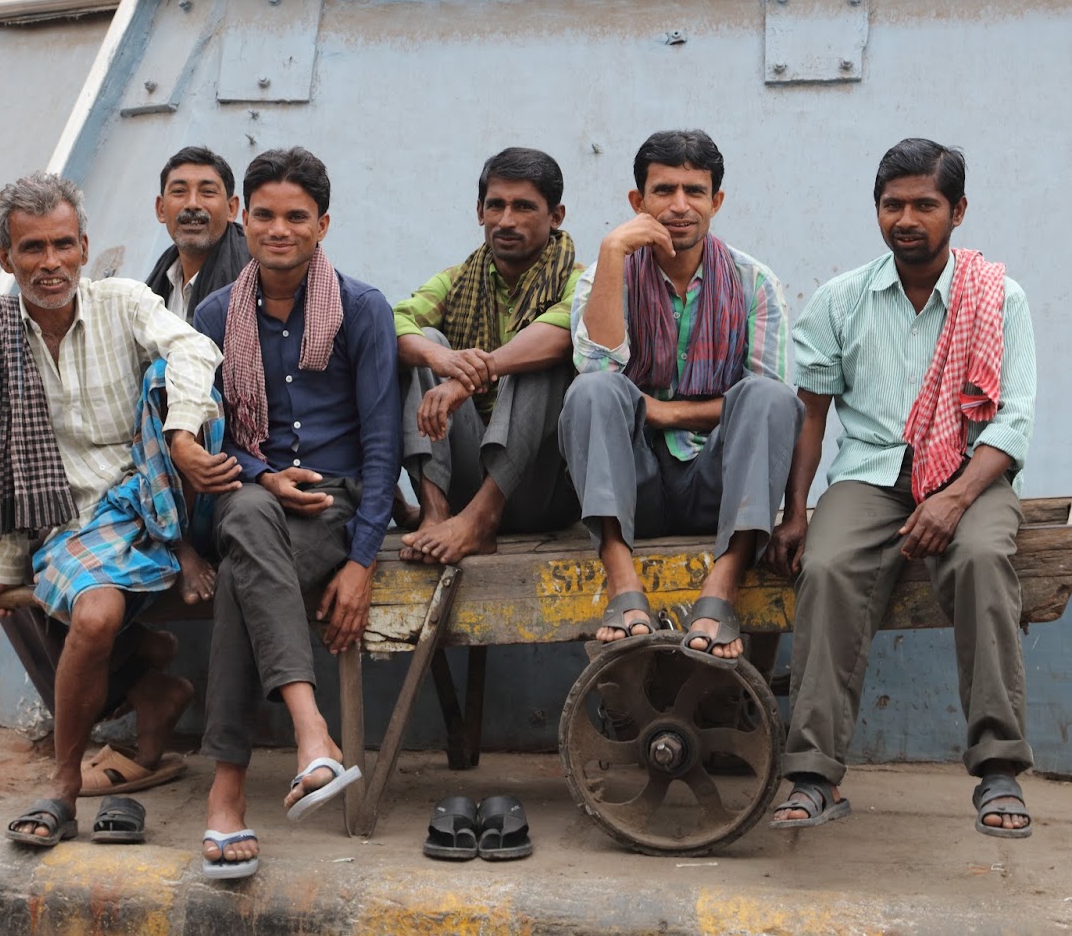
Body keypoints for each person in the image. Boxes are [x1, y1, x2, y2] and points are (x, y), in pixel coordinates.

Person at [0, 171, 238, 846]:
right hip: (70, 517)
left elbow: (195, 347)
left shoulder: (123, 301)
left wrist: (181, 433)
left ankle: (132, 694)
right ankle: (67, 782)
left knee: (170, 376)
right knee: (93, 614)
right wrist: (6, 563)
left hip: (158, 485)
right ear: (7, 259)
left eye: (62, 246)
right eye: (32, 250)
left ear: (83, 247)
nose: (49, 265)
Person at [764, 138, 1037, 837]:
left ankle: (998, 769)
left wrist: (952, 498)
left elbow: (1014, 420)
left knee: (980, 560)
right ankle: (812, 773)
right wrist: (795, 511)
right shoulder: (841, 299)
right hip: (872, 477)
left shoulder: (998, 298)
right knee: (824, 570)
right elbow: (811, 415)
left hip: (973, 476)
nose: (906, 218)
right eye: (893, 205)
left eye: (925, 204)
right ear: (877, 211)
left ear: (959, 210)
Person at [191, 147, 399, 879]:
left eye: (296, 217)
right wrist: (263, 474)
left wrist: (364, 560)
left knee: (246, 570)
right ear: (244, 221)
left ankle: (228, 796)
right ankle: (314, 736)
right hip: (249, 494)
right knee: (247, 516)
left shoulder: (363, 309)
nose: (279, 230)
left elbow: (383, 444)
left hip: (331, 511)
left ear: (322, 225)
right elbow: (207, 429)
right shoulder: (214, 315)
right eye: (266, 215)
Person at [559, 129, 802, 660]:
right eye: (663, 191)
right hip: (635, 484)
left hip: (718, 487)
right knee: (592, 392)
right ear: (636, 202)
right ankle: (623, 583)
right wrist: (610, 250)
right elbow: (596, 371)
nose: (678, 206)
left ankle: (723, 586)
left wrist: (663, 411)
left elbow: (766, 399)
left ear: (716, 201)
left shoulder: (753, 282)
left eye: (694, 191)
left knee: (769, 399)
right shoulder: (607, 274)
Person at [394, 147, 583, 564]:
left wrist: (469, 377)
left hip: (544, 489)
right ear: (480, 211)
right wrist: (439, 359)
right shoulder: (458, 279)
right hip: (466, 473)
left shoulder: (581, 283)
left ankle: (483, 519)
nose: (506, 220)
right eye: (496, 205)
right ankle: (435, 509)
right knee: (423, 341)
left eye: (523, 207)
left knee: (537, 356)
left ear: (556, 216)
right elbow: (393, 324)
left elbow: (562, 333)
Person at [145, 145, 251, 320]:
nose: (192, 204)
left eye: (207, 192)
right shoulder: (158, 283)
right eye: (179, 191)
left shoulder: (255, 277)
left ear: (232, 209)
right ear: (161, 209)